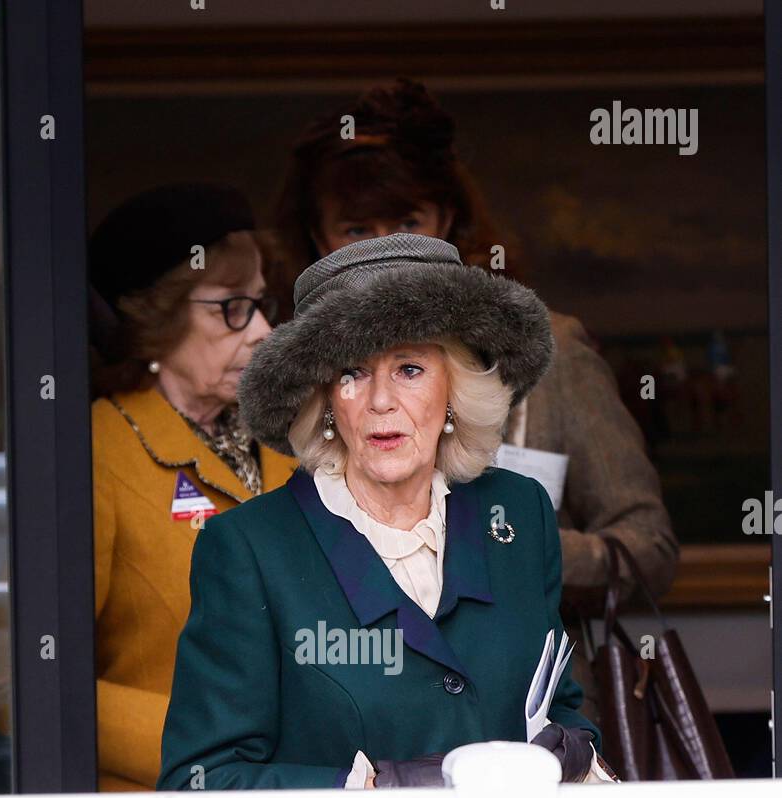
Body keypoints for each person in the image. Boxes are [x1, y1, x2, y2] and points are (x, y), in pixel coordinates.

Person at [271, 80, 679, 716]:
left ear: (448, 221)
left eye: (406, 222)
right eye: (356, 229)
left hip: (532, 722)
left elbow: (648, 546)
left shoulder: (554, 351)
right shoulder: (286, 375)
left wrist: (511, 540)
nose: (384, 249)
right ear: (317, 239)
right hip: (346, 734)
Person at [158, 234, 613, 793]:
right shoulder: (250, 549)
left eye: (410, 369)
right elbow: (200, 782)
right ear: (324, 398)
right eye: (352, 373)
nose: (379, 402)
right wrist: (371, 793)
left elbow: (559, 709)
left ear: (455, 386)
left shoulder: (518, 513)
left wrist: (568, 758)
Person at [88, 184, 294, 791]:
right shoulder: (98, 449)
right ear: (161, 315)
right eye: (231, 307)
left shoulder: (292, 436)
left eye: (261, 304)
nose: (259, 330)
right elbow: (26, 682)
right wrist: (199, 748)